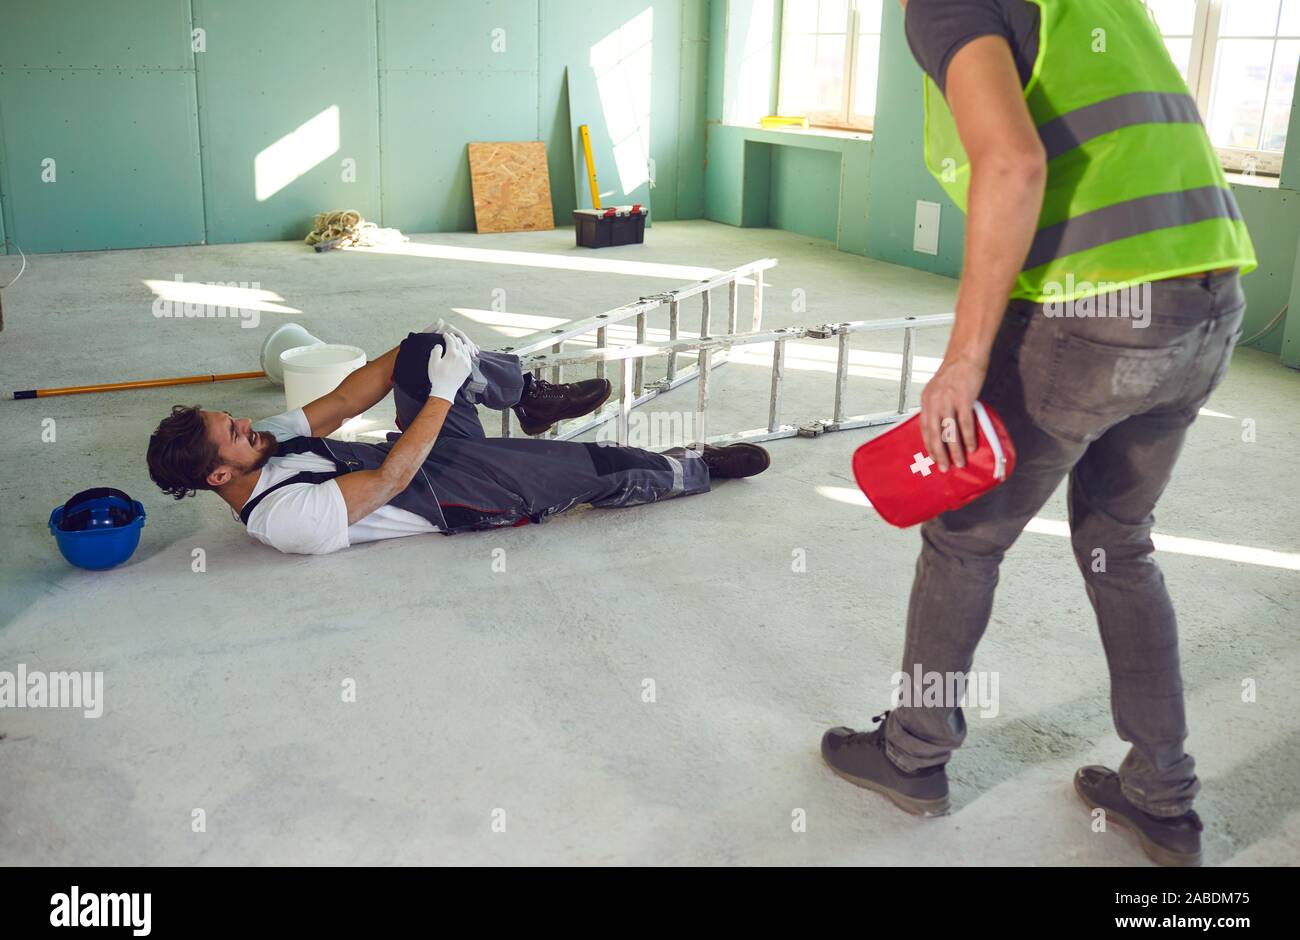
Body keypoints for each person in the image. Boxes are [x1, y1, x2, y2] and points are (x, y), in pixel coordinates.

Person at [821, 0, 1256, 867]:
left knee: (963, 539)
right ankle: (1162, 797)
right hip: (1207, 301)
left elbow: (1014, 163)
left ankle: (913, 755)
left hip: (1095, 309)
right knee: (1119, 545)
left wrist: (963, 360)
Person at [147, 321, 770, 555]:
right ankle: (694, 468)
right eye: (233, 433)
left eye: (235, 419)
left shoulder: (265, 448)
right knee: (601, 466)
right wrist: (444, 393)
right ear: (219, 477)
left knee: (425, 349)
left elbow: (340, 402)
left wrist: (427, 358)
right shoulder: (285, 519)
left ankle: (528, 397)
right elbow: (391, 481)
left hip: (424, 451)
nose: (247, 425)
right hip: (446, 492)